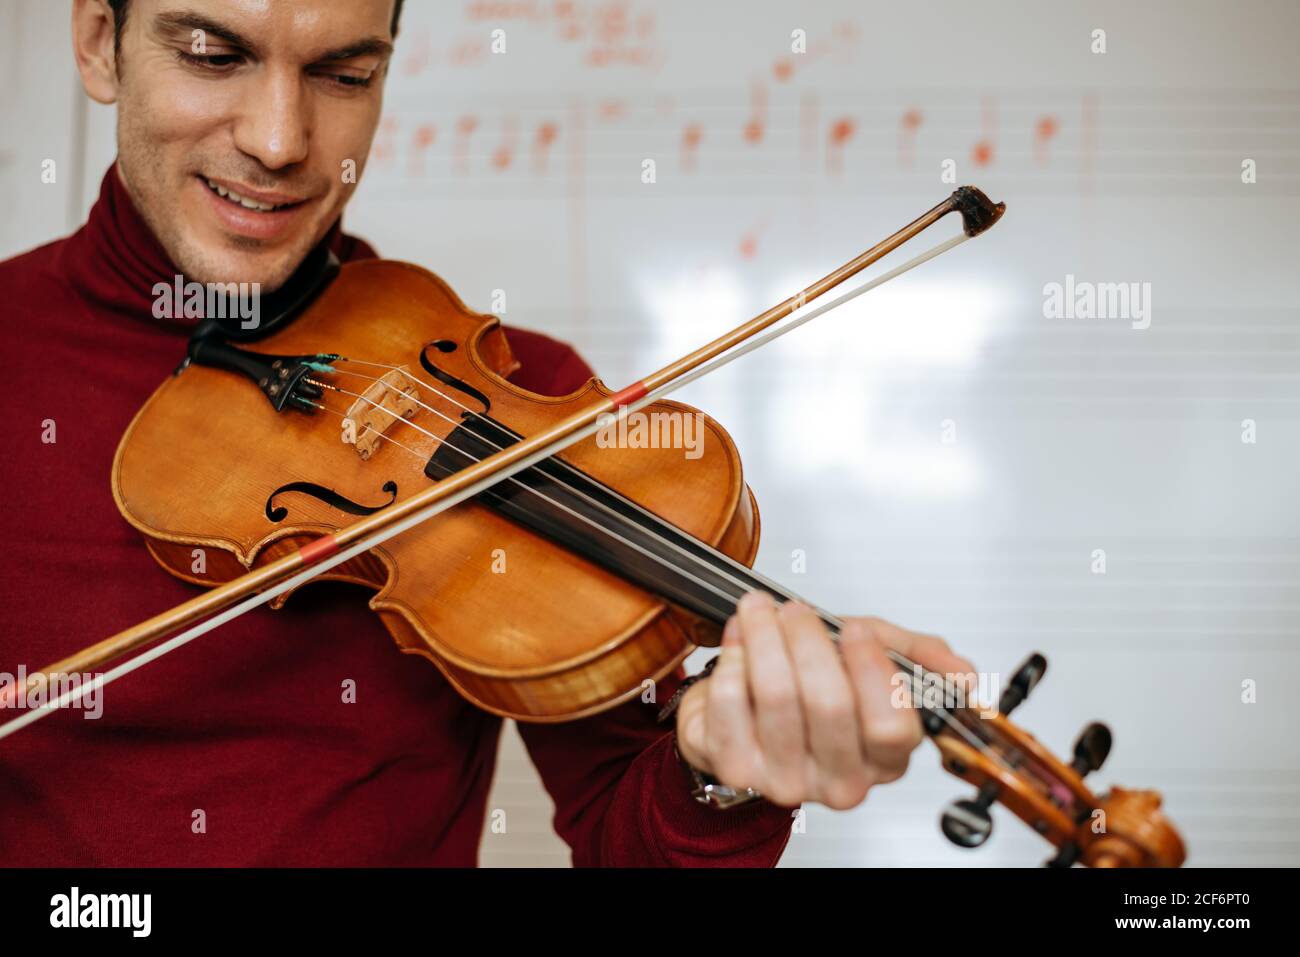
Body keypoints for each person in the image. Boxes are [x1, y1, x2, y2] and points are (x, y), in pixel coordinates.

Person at [0, 0, 974, 866]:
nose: (280, 139)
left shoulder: (522, 402)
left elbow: (623, 832)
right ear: (99, 43)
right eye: (215, 56)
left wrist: (715, 771)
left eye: (346, 74)